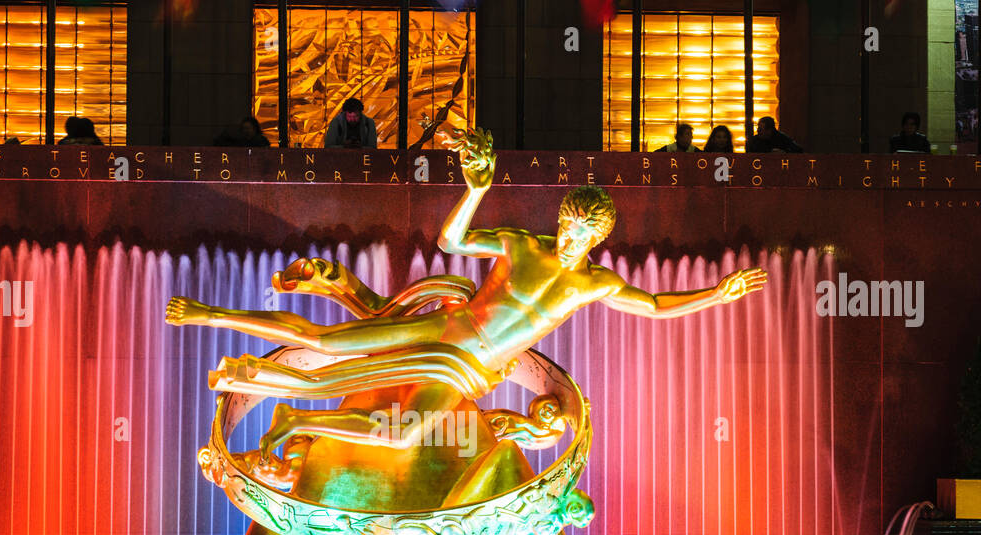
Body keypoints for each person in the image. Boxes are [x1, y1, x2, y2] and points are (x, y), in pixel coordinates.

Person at [166, 127, 767, 461]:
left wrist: (717, 293)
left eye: (581, 233)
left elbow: (655, 305)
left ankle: (286, 407)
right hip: (448, 329)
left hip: (472, 369)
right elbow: (452, 239)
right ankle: (208, 316)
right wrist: (476, 187)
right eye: (565, 225)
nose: (567, 238)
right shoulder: (523, 244)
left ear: (597, 238)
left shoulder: (593, 283)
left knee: (398, 433)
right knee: (328, 343)